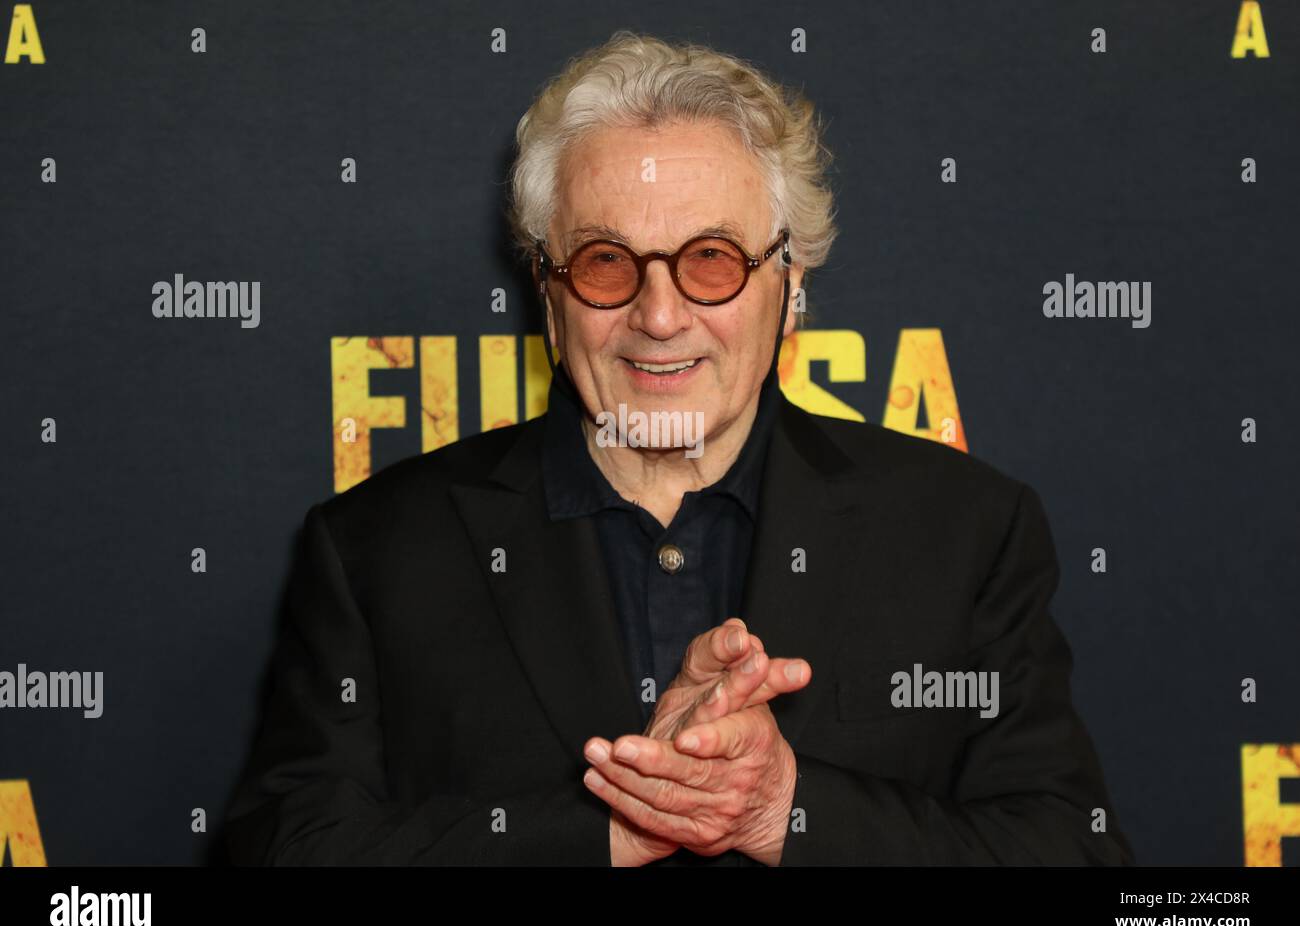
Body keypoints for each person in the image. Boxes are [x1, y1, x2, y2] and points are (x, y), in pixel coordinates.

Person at [224, 30, 1133, 866]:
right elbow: (284, 851)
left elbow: (1073, 854)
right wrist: (611, 829)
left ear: (791, 276)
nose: (660, 318)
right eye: (606, 262)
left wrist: (783, 810)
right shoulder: (376, 549)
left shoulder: (966, 532)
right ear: (547, 290)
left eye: (710, 259)